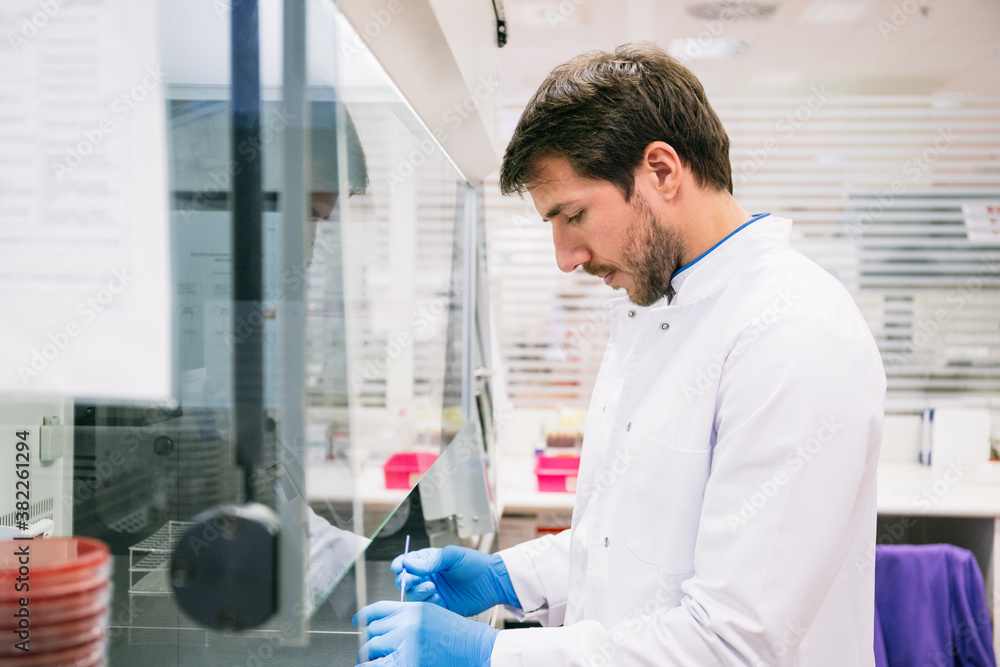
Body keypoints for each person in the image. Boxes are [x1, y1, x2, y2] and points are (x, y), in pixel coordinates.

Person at [353, 42, 886, 666]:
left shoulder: (792, 334)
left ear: (661, 171)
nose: (565, 257)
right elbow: (631, 542)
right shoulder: (658, 308)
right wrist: (509, 578)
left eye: (574, 215)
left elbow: (733, 644)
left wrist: (493, 654)